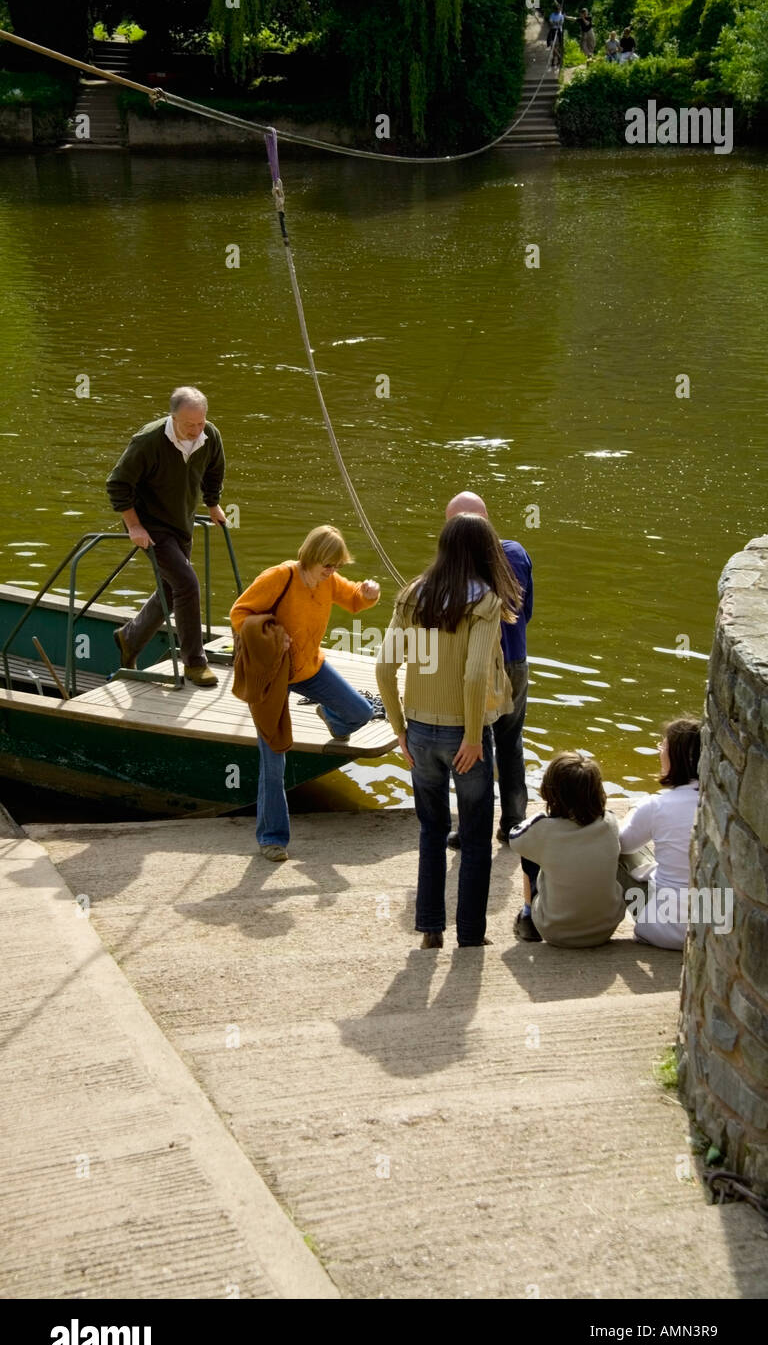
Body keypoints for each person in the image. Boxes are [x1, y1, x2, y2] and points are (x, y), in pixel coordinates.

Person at [376, 514, 520, 949]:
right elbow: (474, 677)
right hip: (465, 738)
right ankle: (471, 936)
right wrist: (475, 737)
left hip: (419, 732)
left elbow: (385, 667)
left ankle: (430, 930)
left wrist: (400, 728)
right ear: (484, 552)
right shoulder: (485, 602)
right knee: (475, 837)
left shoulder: (413, 597)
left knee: (431, 831)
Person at [230, 525, 380, 862]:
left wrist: (369, 593)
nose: (333, 573)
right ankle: (272, 838)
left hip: (309, 668)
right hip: (271, 674)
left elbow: (355, 599)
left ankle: (331, 718)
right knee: (274, 759)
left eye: (337, 567)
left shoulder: (327, 582)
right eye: (329, 566)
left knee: (361, 712)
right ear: (312, 558)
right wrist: (272, 633)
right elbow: (239, 614)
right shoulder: (279, 577)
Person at [106, 386, 227, 687]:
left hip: (180, 523)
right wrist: (134, 526)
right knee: (187, 583)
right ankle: (195, 663)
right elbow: (117, 484)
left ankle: (129, 638)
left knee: (174, 590)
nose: (197, 430)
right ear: (172, 417)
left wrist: (213, 504)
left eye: (201, 422)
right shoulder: (149, 441)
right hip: (150, 525)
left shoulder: (209, 435)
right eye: (190, 425)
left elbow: (215, 470)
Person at [443, 492, 533, 848]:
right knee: (511, 744)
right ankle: (514, 825)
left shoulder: (455, 569)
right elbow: (526, 612)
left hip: (478, 669)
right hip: (516, 662)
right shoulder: (516, 553)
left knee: (474, 746)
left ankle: (471, 830)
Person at [508, 752, 626, 947]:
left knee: (529, 850)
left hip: (556, 931)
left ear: (550, 790)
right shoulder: (610, 822)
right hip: (606, 928)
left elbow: (515, 838)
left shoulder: (542, 830)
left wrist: (539, 816)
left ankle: (528, 914)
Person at [617, 717, 701, 950]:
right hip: (715, 928)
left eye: (663, 747)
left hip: (665, 930)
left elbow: (619, 845)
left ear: (676, 757)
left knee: (612, 845)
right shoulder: (723, 806)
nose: (659, 751)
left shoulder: (657, 805)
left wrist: (633, 810)